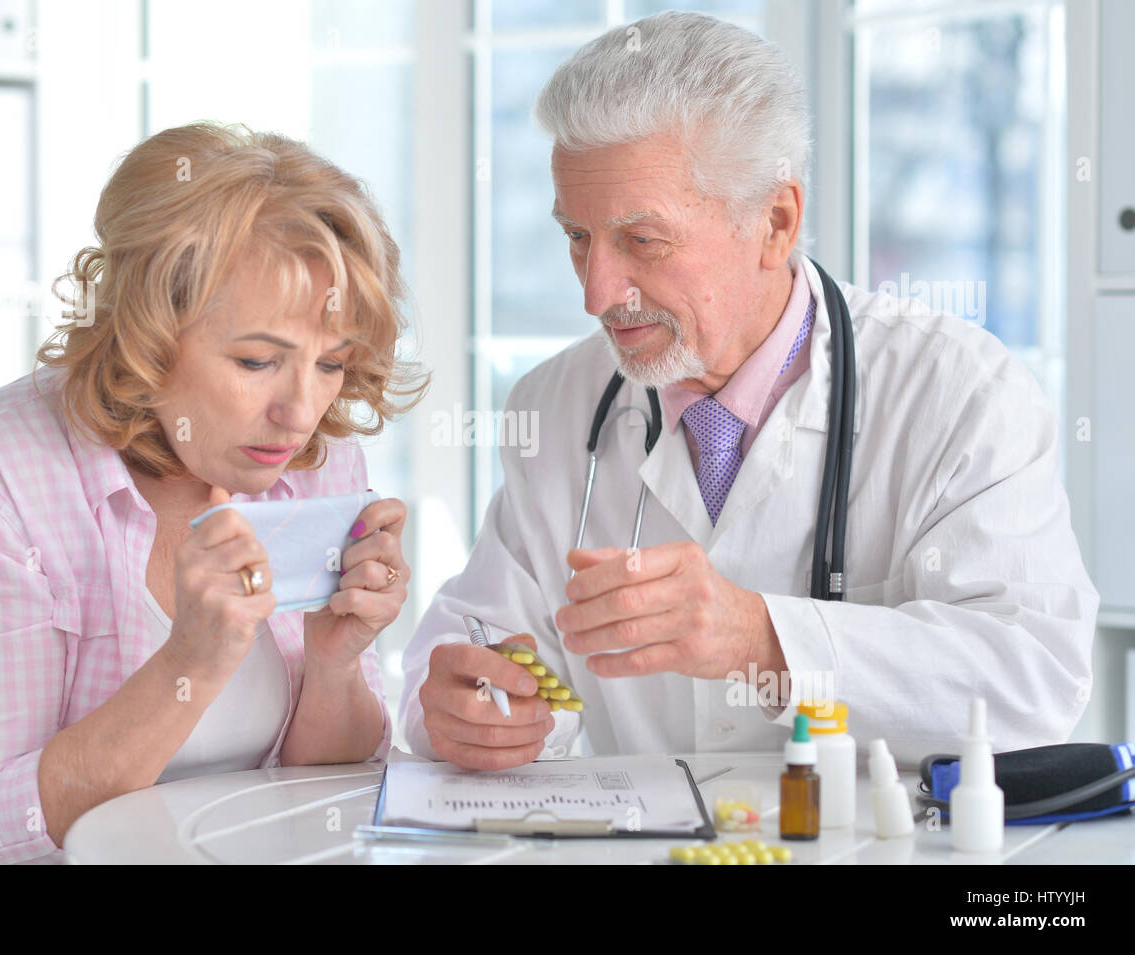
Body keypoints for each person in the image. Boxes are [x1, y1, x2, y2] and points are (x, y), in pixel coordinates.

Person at [399, 11, 1097, 771]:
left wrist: (760, 638)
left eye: (642, 240)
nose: (598, 293)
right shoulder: (555, 406)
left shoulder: (960, 394)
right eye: (577, 236)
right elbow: (470, 643)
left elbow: (1033, 681)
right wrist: (467, 708)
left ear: (776, 221)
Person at [0, 122, 426, 864]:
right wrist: (191, 662)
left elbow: (325, 790)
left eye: (333, 364)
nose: (301, 410)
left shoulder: (316, 456)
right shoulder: (1, 472)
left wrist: (337, 661)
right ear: (148, 331)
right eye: (255, 361)